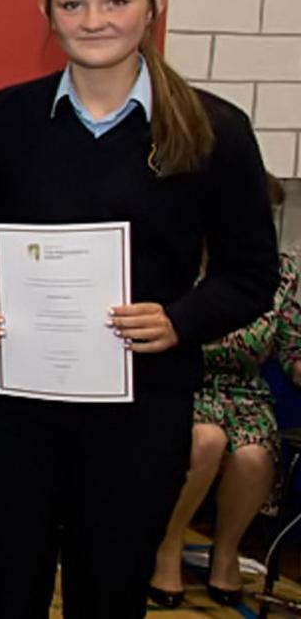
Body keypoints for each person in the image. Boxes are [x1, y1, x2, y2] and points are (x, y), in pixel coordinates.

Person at [0, 0, 278, 617]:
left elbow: (252, 273)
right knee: (7, 594)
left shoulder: (213, 130)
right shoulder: (3, 122)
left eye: (115, 0)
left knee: (110, 595)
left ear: (155, 3)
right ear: (45, 11)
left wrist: (179, 319)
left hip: (140, 414)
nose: (93, 20)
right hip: (14, 412)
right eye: (71, 3)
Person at [151, 245, 301, 607]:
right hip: (183, 384)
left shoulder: (280, 270)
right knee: (207, 440)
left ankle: (226, 551)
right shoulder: (174, 253)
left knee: (253, 456)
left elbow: (291, 346)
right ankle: (167, 545)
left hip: (246, 391)